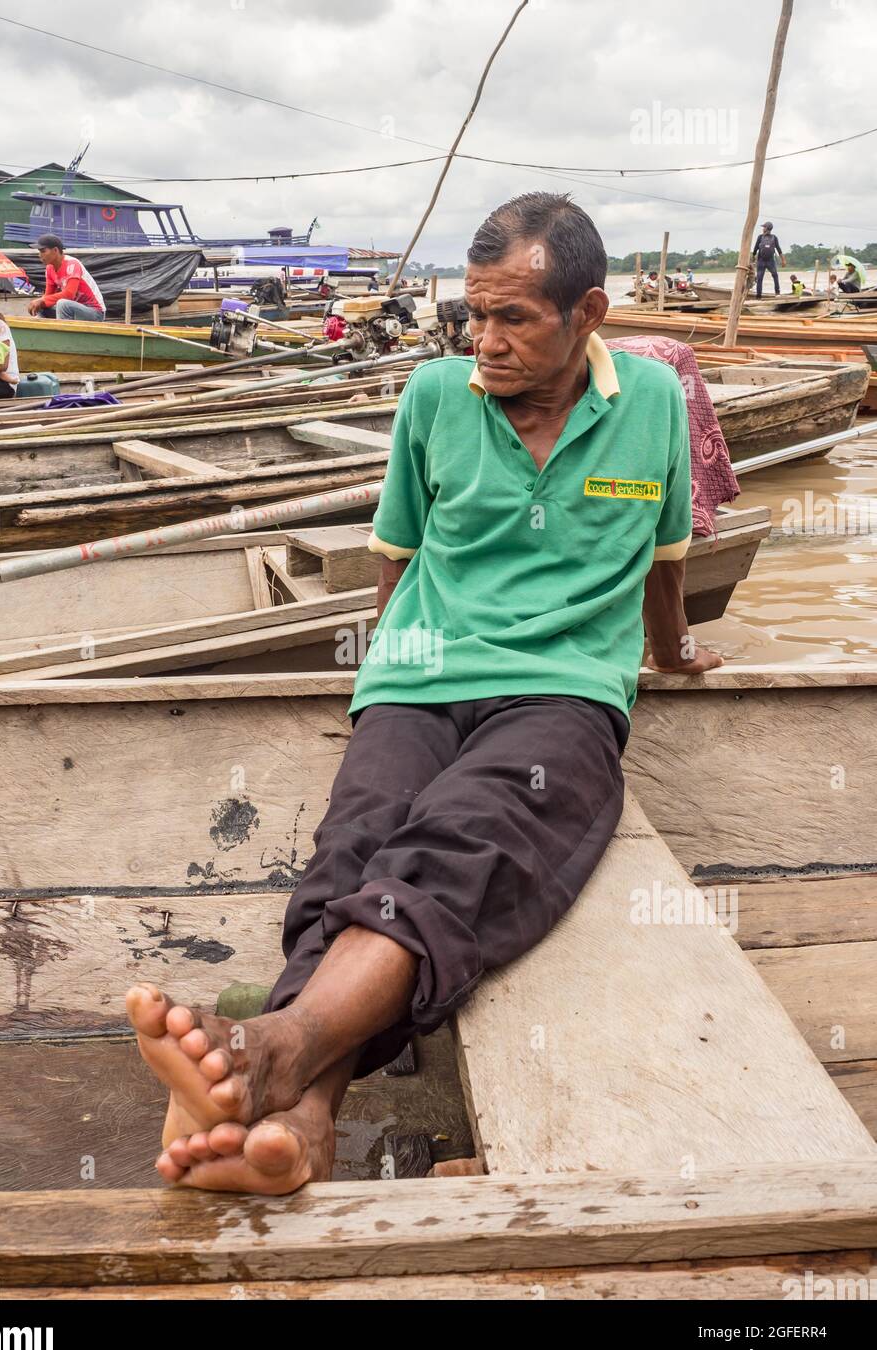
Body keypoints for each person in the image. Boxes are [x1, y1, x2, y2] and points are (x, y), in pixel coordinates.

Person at [126, 191, 722, 1195]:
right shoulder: (436, 399)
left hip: (560, 694)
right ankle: (307, 1113)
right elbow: (395, 562)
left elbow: (667, 562)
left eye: (512, 319)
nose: (482, 341)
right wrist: (388, 685)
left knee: (464, 833)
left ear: (590, 315)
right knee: (355, 840)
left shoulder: (656, 403)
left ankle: (278, 1053)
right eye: (472, 317)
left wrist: (670, 657)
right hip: (419, 676)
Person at [27, 234, 106, 321]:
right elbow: (48, 296)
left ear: (55, 250)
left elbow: (69, 294)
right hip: (73, 309)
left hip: (95, 312)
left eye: (43, 251)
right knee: (41, 306)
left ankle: (63, 334)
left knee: (62, 304)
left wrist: (42, 300)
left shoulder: (72, 264)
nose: (40, 255)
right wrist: (41, 302)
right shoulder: (50, 268)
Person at [752, 220, 785, 297]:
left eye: (764, 227)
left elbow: (755, 248)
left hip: (761, 261)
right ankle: (777, 293)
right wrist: (783, 260)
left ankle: (758, 296)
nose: (763, 228)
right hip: (770, 261)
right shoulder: (774, 237)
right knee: (775, 276)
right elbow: (779, 249)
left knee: (760, 279)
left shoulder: (760, 237)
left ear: (767, 228)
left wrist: (753, 258)